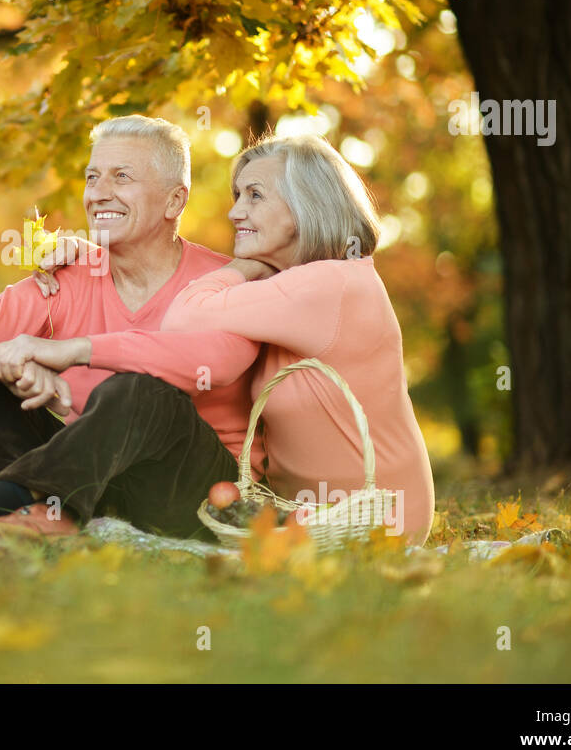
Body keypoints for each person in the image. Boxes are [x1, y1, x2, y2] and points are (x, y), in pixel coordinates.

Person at [0, 115, 264, 550]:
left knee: (142, 389)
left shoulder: (226, 280)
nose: (99, 193)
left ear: (174, 201)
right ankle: (2, 520)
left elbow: (214, 362)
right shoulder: (67, 277)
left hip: (199, 495)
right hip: (91, 485)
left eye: (121, 177)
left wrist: (71, 352)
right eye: (92, 177)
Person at [158, 134, 435, 545]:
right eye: (238, 195)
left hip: (373, 520)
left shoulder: (329, 284)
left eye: (255, 195)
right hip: (304, 515)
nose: (235, 212)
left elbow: (181, 320)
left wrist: (242, 268)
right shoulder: (298, 285)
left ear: (307, 205)